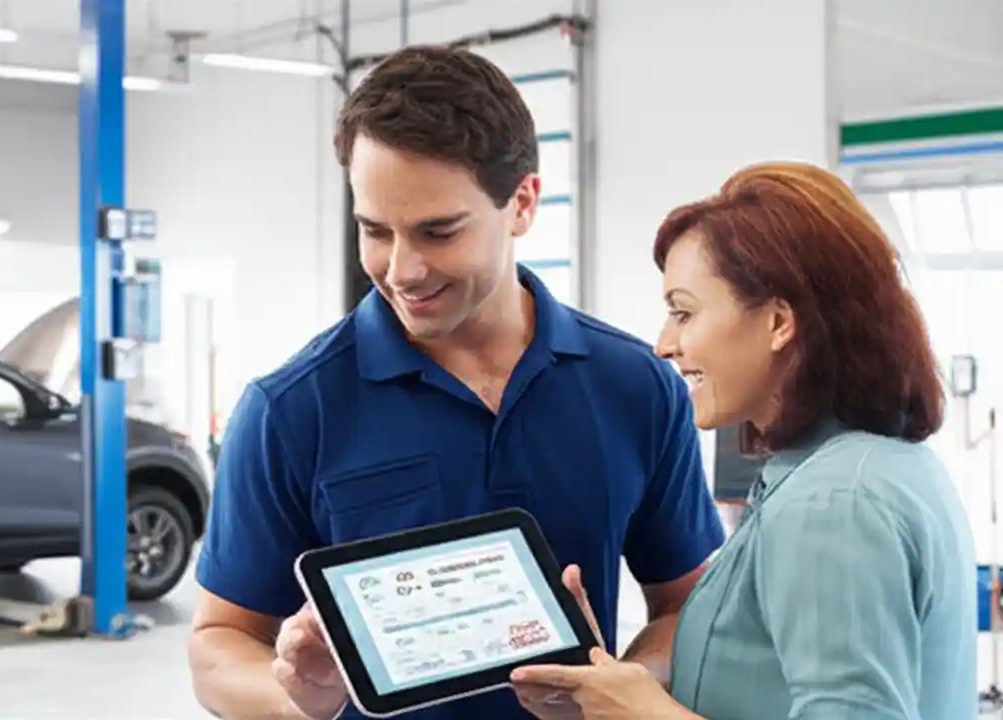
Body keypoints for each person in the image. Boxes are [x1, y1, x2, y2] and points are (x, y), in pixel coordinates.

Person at [186, 44, 728, 719]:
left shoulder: (638, 387)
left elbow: (688, 605)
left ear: (523, 202)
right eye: (374, 230)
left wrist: (620, 685)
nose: (402, 269)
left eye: (438, 231)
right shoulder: (292, 408)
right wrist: (299, 696)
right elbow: (218, 642)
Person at [510, 161, 978, 719]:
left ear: (779, 323)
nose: (665, 345)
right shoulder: (882, 468)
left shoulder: (832, 502)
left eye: (683, 313)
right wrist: (617, 691)